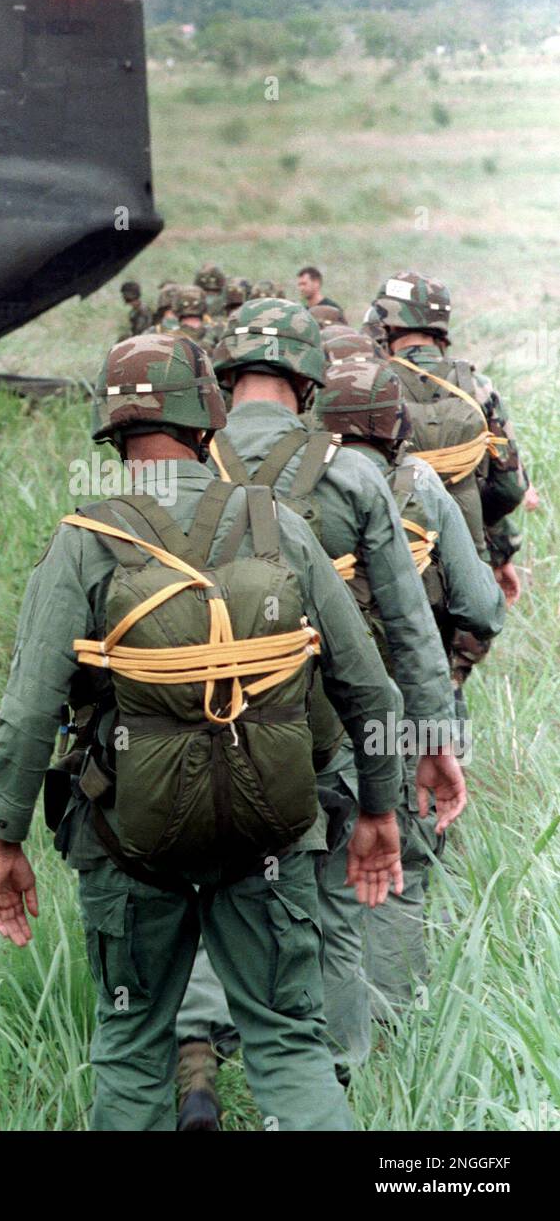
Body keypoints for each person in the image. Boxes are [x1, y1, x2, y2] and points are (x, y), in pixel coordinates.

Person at [0, 332, 405, 1133]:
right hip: (271, 832)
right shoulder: (277, 522)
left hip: (124, 835)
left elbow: (29, 708)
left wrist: (6, 840)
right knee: (287, 1041)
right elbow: (367, 688)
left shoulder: (86, 538)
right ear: (207, 417)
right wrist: (379, 811)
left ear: (111, 432)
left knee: (132, 1041)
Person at [174, 296, 464, 1098]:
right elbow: (408, 629)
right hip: (323, 732)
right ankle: (326, 1084)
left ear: (225, 377)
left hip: (197, 727)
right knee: (340, 899)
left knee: (205, 889)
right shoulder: (354, 474)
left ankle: (196, 1054)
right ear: (308, 385)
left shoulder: (181, 467)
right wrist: (432, 742)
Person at [315, 356, 504, 1027]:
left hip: (300, 722)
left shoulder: (283, 489)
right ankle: (389, 1034)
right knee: (398, 878)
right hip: (405, 716)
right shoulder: (419, 483)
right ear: (393, 424)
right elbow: (482, 606)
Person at [366, 273, 527, 704]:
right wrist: (493, 546)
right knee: (445, 690)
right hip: (462, 573)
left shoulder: (364, 386)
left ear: (386, 325)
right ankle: (447, 763)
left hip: (383, 572)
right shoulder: (477, 387)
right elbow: (511, 487)